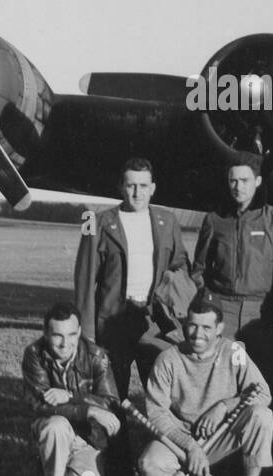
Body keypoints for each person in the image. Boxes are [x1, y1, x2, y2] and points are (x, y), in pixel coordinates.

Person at [191, 154, 273, 462]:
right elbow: (198, 270)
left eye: (244, 180)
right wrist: (207, 306)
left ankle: (269, 462)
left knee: (262, 388)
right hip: (223, 314)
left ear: (257, 182)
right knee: (221, 386)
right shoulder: (215, 219)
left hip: (259, 316)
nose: (238, 187)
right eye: (232, 180)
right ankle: (217, 457)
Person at [138, 289, 273, 476]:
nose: (197, 334)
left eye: (207, 328)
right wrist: (191, 447)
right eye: (192, 325)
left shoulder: (234, 353)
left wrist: (223, 406)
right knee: (149, 464)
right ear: (184, 324)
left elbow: (263, 394)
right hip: (181, 442)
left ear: (220, 328)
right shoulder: (168, 359)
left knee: (261, 415)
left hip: (221, 438)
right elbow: (156, 414)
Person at [73, 157, 191, 403]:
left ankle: (160, 442)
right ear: (120, 186)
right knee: (112, 395)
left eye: (144, 186)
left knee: (162, 394)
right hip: (113, 322)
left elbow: (180, 264)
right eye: (131, 185)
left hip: (153, 321)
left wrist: (177, 309)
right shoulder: (94, 221)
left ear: (153, 188)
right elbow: (84, 279)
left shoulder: (168, 221)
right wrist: (88, 333)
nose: (137, 193)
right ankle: (116, 442)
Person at [21, 302, 122, 476]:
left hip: (88, 439)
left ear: (79, 333)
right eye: (57, 335)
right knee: (56, 425)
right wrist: (89, 410)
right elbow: (39, 405)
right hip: (54, 431)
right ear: (46, 334)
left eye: (71, 335)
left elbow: (110, 402)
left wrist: (70, 396)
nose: (64, 343)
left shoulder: (97, 356)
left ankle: (55, 468)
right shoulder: (34, 354)